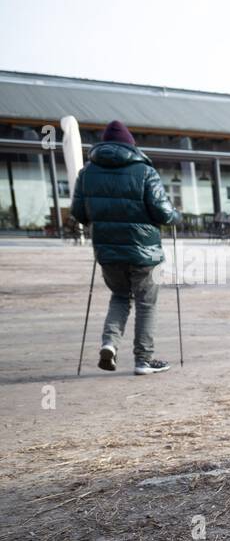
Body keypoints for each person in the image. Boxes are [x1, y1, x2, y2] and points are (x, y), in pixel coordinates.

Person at [70, 120, 181, 375]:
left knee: (120, 297)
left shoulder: (86, 173)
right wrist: (177, 216)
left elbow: (78, 213)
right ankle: (143, 360)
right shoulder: (144, 171)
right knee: (146, 303)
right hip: (144, 252)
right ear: (131, 145)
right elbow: (163, 213)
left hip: (108, 252)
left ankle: (109, 344)